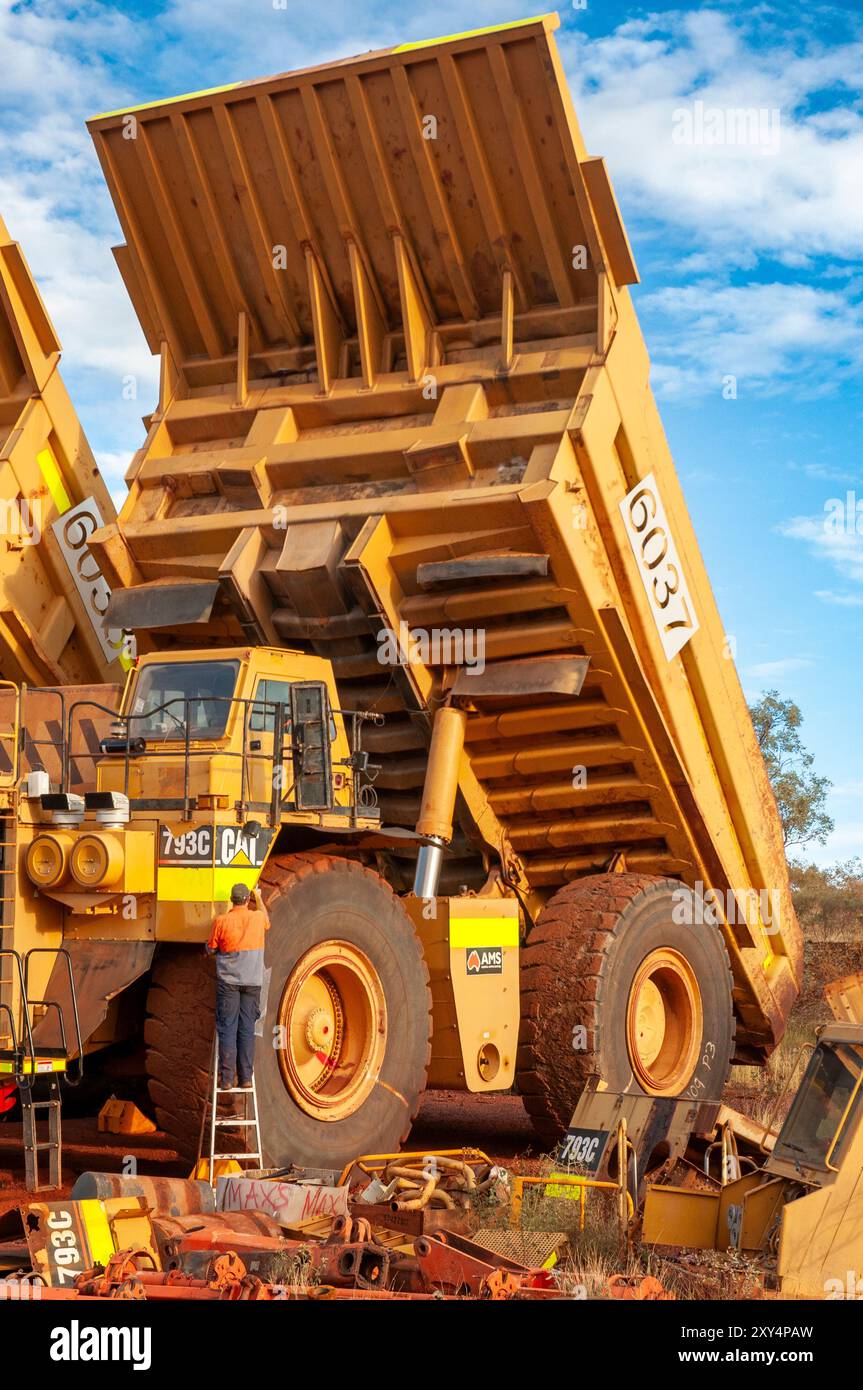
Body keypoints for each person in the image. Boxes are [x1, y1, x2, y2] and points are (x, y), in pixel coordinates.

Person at [206, 883, 270, 1089]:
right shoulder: (258, 918)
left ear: (232, 900)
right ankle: (245, 1079)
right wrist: (258, 896)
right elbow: (266, 919)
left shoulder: (222, 921)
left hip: (229, 984)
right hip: (252, 983)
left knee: (227, 1029)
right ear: (246, 900)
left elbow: (211, 949)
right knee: (246, 1029)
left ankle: (226, 1080)